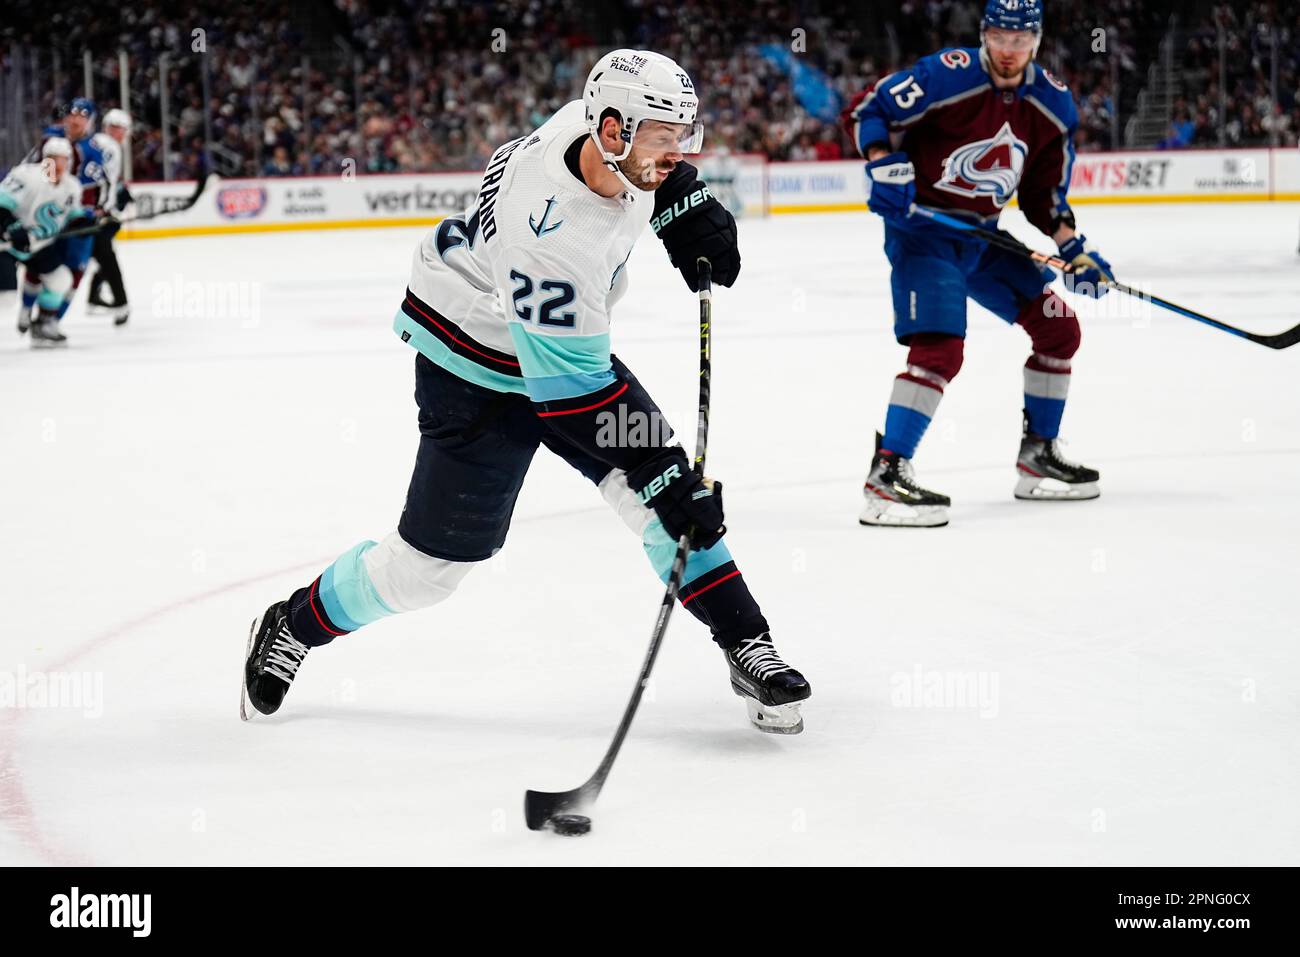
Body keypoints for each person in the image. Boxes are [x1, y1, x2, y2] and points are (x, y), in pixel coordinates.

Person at [241, 50, 812, 734]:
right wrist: (661, 471)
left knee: (663, 500)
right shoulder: (553, 230)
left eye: (683, 135)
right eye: (667, 139)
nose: (678, 150)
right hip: (473, 363)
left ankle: (746, 640)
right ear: (613, 130)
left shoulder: (597, 130)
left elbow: (579, 364)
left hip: (559, 348)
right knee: (429, 570)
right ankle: (295, 622)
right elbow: (571, 401)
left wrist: (678, 194)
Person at [842, 0, 1112, 527]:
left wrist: (1072, 246)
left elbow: (1044, 195)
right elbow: (867, 110)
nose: (1009, 50)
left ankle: (1037, 456)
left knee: (1059, 331)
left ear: (1037, 41)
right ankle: (887, 475)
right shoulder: (947, 75)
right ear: (985, 35)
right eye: (1000, 37)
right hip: (921, 232)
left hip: (981, 237)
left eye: (1021, 39)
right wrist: (883, 165)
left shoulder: (1053, 105)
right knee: (940, 349)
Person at [0, 138, 87, 348]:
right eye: (53, 159)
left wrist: (95, 222)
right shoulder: (26, 175)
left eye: (63, 159)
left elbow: (75, 219)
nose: (58, 164)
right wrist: (12, 227)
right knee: (6, 298)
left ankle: (42, 326)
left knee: (61, 281)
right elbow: (1, 205)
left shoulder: (72, 187)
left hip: (38, 247)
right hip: (7, 246)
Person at [87, 108, 133, 325]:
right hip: (96, 212)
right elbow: (102, 179)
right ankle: (119, 303)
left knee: (102, 254)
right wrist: (104, 207)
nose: (124, 135)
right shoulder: (110, 146)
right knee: (105, 256)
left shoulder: (94, 141)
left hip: (92, 209)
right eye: (122, 130)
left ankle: (96, 298)